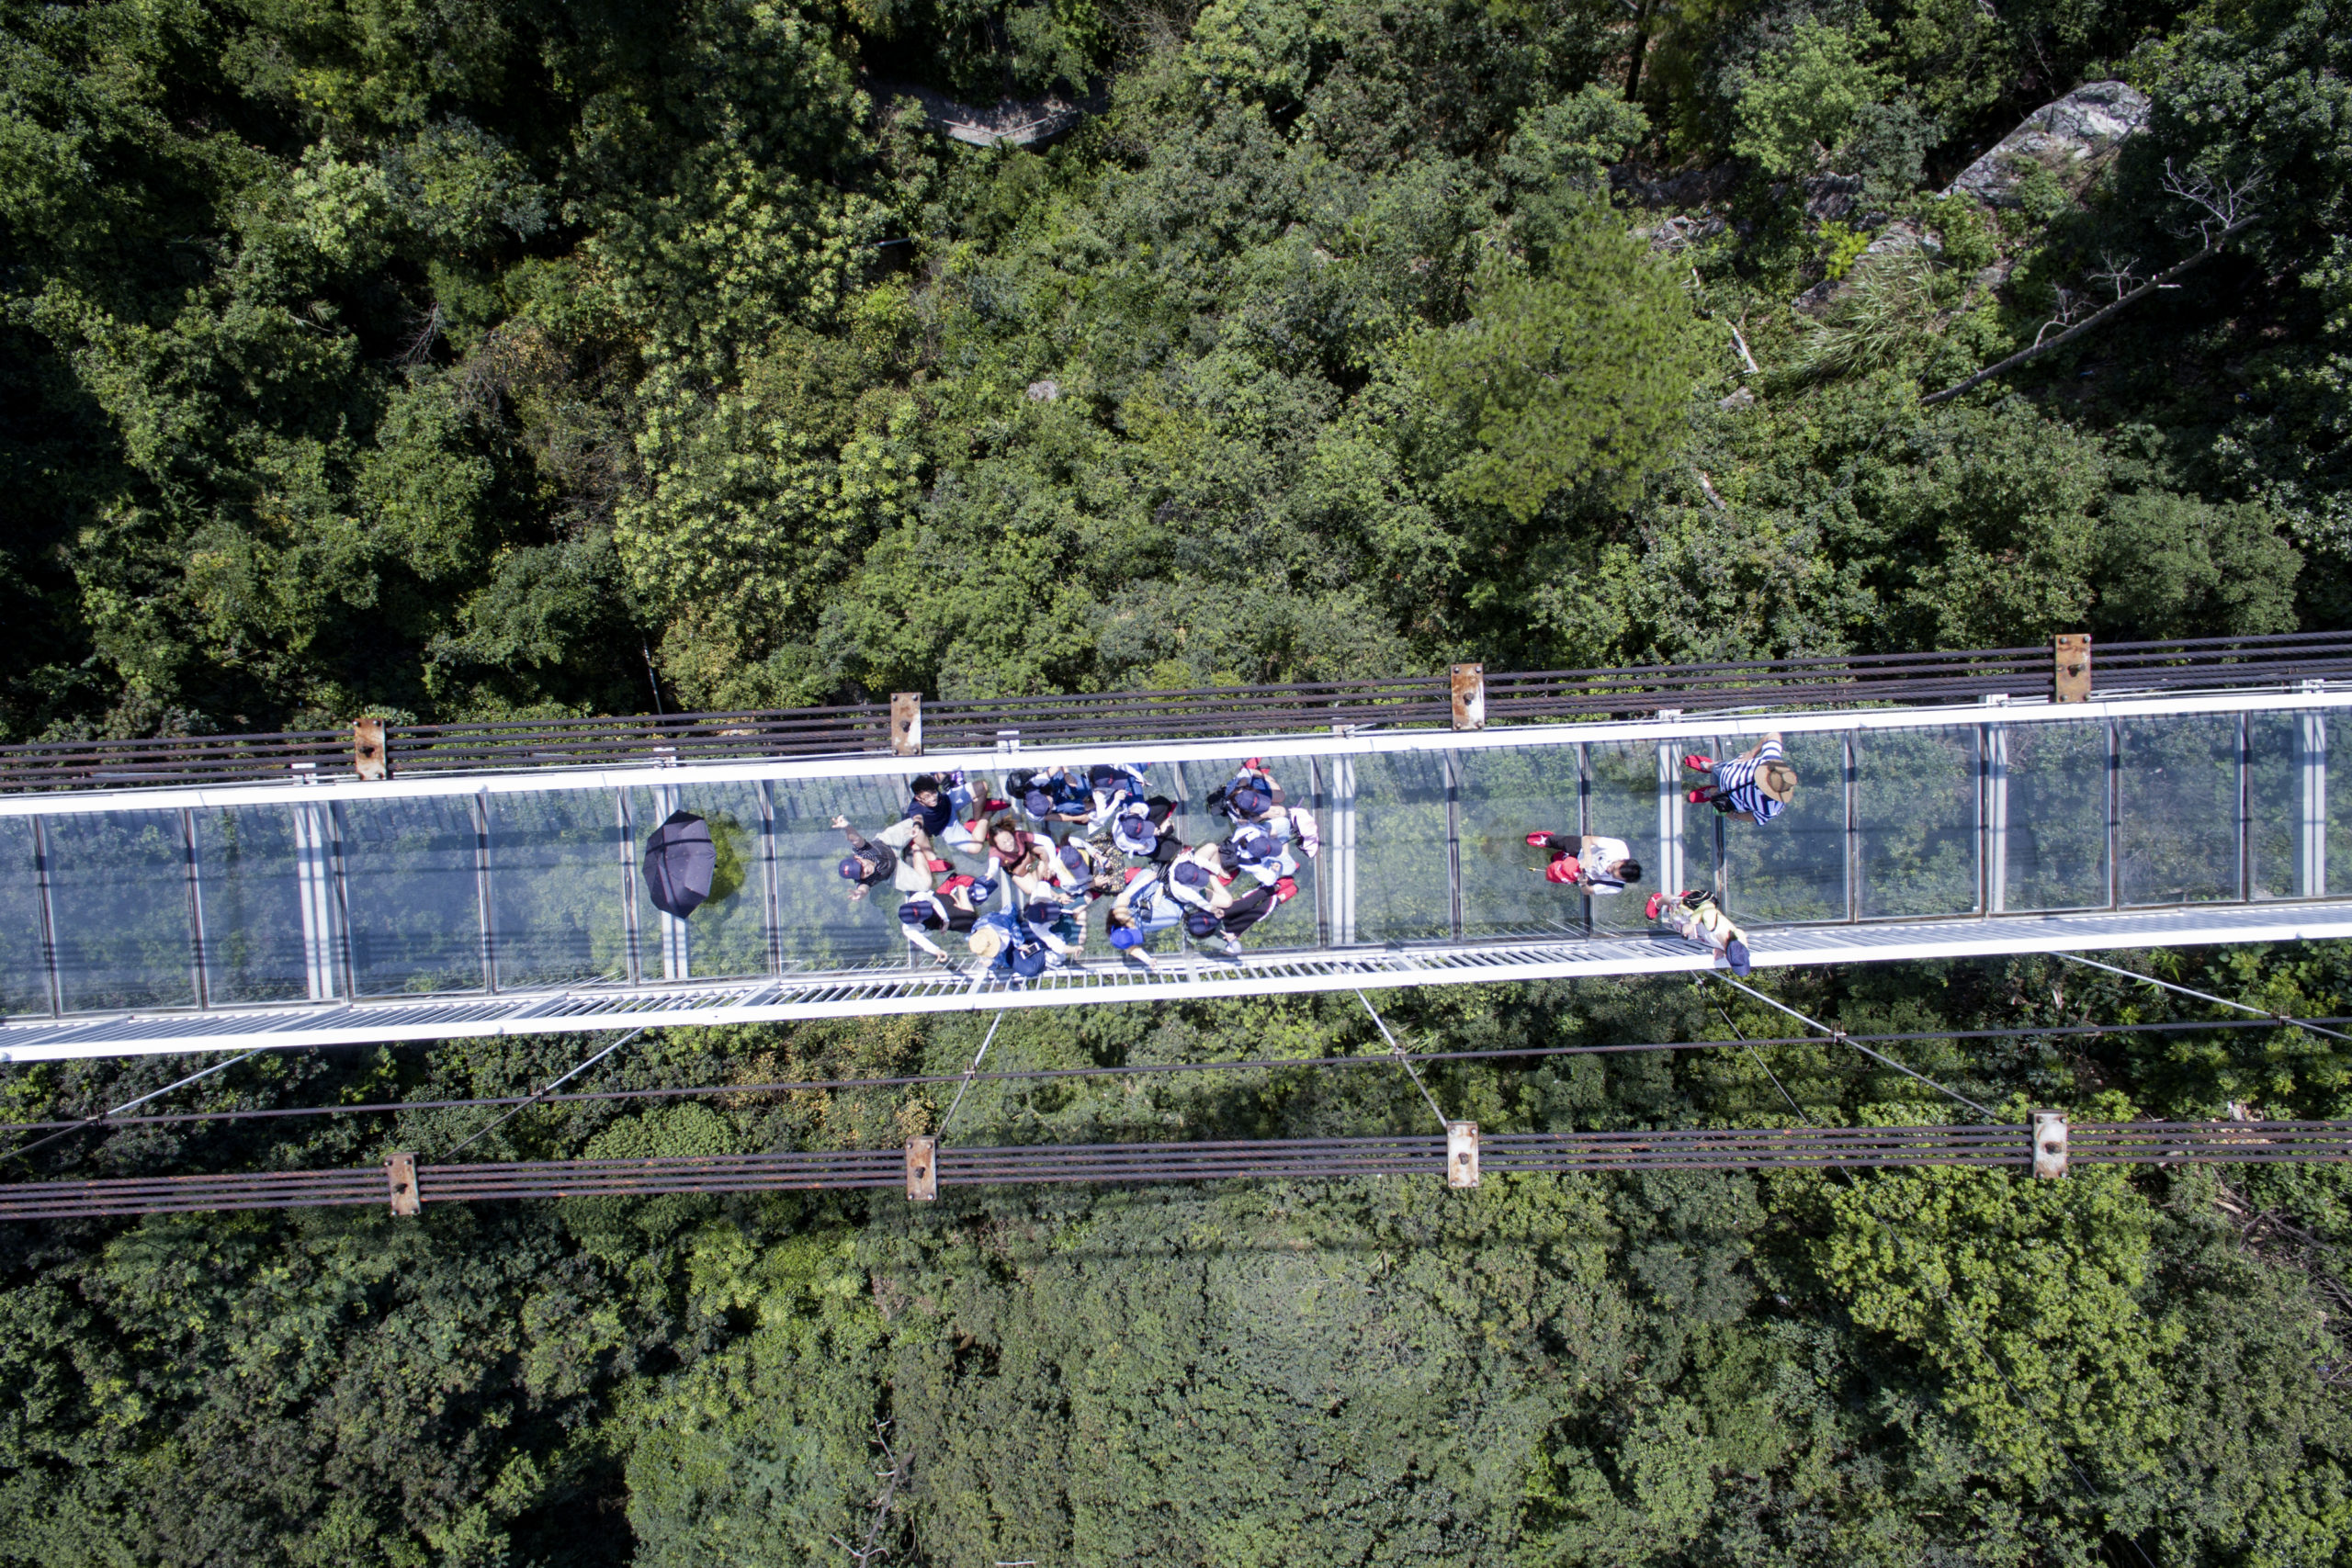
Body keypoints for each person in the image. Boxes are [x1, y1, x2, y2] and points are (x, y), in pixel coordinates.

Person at [1680, 733, 1797, 824]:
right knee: (1717, 767)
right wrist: (1751, 753)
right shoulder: (1770, 761)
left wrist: (1735, 816)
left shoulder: (1772, 807)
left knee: (1715, 795)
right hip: (1729, 771)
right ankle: (1709, 766)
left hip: (1732, 800)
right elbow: (1773, 735)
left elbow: (1757, 817)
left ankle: (1710, 793)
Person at [1185, 874, 1299, 958]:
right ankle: (1278, 899)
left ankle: (1274, 887)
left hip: (1216, 911)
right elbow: (1236, 950)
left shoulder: (1190, 911)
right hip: (1227, 930)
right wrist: (1231, 940)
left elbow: (1196, 895)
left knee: (1247, 904)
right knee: (1254, 915)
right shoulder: (1209, 940)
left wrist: (1214, 908)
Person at [832, 815, 943, 901]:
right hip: (893, 872)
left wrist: (847, 827)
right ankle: (916, 848)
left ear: (858, 858)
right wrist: (860, 894)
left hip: (888, 843)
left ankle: (931, 858)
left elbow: (855, 840)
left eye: (861, 866)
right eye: (861, 873)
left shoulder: (862, 851)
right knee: (925, 885)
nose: (865, 870)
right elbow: (863, 889)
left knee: (915, 824)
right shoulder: (863, 881)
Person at [1646, 888, 1753, 976]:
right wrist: (1691, 924)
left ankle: (1679, 900)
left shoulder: (1740, 943)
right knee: (1675, 907)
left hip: (1697, 921)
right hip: (1691, 908)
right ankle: (1659, 900)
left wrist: (1721, 950)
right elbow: (1707, 908)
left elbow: (1737, 937)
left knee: (1679, 924)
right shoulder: (1714, 927)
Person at [898, 874, 995, 964]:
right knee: (969, 926)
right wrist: (937, 951)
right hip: (938, 922)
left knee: (968, 919)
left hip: (940, 904)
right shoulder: (908, 929)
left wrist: (946, 922)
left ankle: (960, 886)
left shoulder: (919, 897)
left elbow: (935, 903)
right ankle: (958, 898)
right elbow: (922, 941)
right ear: (917, 921)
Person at [1106, 864, 1185, 962]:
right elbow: (1132, 949)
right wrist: (1148, 960)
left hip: (1144, 889)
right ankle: (1176, 902)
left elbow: (1123, 896)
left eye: (1133, 930)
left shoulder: (1118, 914)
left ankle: (1165, 886)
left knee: (1151, 878)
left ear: (1123, 925)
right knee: (1174, 917)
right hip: (1141, 913)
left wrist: (1146, 880)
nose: (1135, 930)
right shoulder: (1121, 939)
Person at [906, 771, 992, 859]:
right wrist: (916, 827)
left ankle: (977, 822)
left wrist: (949, 770)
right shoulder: (915, 807)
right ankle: (988, 814)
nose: (932, 798)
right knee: (976, 848)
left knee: (981, 786)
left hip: (949, 802)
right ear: (918, 798)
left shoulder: (931, 785)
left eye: (934, 793)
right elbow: (918, 818)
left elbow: (940, 775)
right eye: (927, 797)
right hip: (946, 826)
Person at [1523, 831, 1643, 894]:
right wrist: (1588, 856)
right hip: (1582, 850)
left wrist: (1583, 884)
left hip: (1580, 872)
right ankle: (1548, 840)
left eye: (1612, 874)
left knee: (1554, 867)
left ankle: (1560, 859)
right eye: (1613, 866)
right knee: (1564, 842)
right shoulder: (1618, 847)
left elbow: (1588, 892)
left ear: (1622, 880)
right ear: (1623, 860)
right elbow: (1587, 839)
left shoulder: (1615, 887)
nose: (1608, 869)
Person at [967, 913, 1049, 985]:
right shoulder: (981, 948)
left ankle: (1041, 948)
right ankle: (1043, 952)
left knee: (1041, 936)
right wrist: (991, 965)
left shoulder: (993, 921)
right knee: (1030, 970)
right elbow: (1002, 962)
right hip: (1009, 952)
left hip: (1016, 934)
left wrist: (1019, 943)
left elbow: (1012, 922)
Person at [1205, 759, 1283, 824]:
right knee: (1282, 812)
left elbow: (1247, 772)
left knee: (1281, 795)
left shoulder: (1236, 785)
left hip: (1254, 787)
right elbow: (1247, 822)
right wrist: (1264, 815)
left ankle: (1256, 773)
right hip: (1253, 806)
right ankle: (1263, 803)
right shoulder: (1234, 814)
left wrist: (1265, 777)